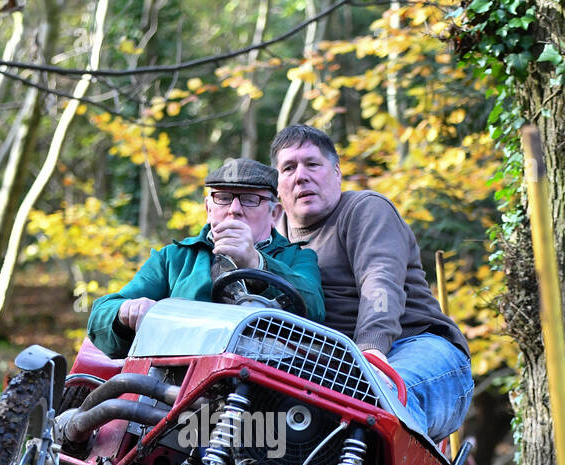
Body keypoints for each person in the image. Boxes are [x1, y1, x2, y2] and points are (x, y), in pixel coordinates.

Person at [269, 125, 474, 443]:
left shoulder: (363, 210)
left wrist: (372, 348)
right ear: (278, 186)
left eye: (312, 164)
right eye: (289, 168)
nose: (301, 176)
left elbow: (380, 279)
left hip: (411, 347)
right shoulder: (270, 238)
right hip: (332, 367)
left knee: (377, 396)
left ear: (336, 173)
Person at [88, 158, 325, 358]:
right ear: (208, 208)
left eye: (250, 199)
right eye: (222, 197)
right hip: (177, 386)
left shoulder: (298, 258)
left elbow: (314, 310)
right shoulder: (175, 258)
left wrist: (255, 262)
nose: (234, 209)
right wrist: (127, 311)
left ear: (274, 213)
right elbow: (100, 317)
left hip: (263, 388)